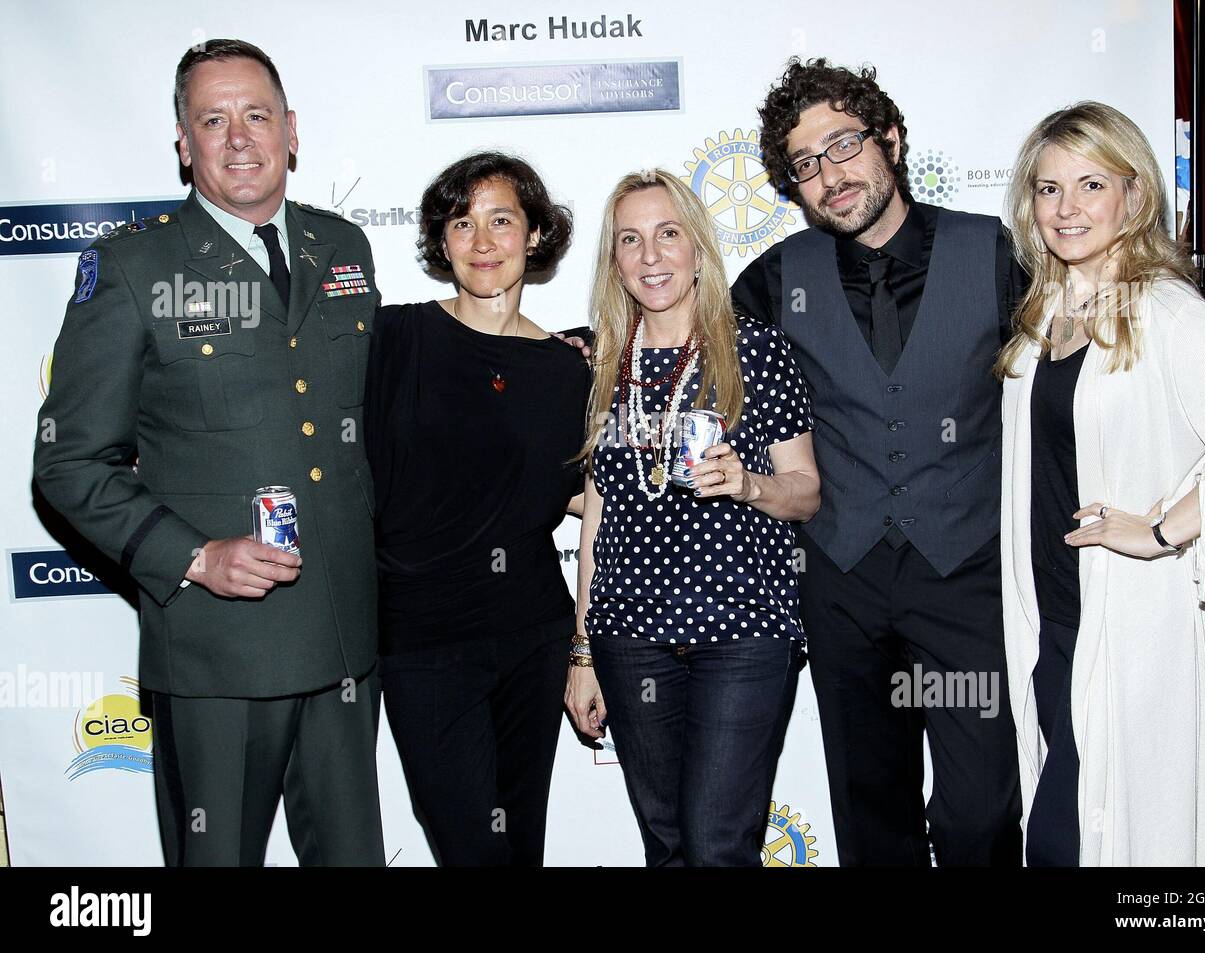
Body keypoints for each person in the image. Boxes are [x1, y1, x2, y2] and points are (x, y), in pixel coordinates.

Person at [33, 40, 384, 866]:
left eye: (256, 116)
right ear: (184, 145)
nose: (239, 139)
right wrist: (192, 556)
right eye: (212, 120)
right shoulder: (130, 266)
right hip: (216, 651)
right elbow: (68, 462)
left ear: (291, 131)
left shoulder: (345, 249)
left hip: (343, 640)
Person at [731, 58, 1026, 866]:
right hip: (844, 582)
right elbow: (695, 357)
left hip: (965, 580)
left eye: (844, 144)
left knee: (979, 814)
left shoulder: (991, 252)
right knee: (871, 817)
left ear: (891, 140)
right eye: (806, 164)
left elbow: (1074, 377)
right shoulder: (774, 280)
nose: (830, 175)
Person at [995, 101, 1205, 866]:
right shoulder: (1047, 316)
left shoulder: (1166, 311)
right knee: (1061, 828)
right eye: (1047, 188)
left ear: (1134, 195)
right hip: (1052, 617)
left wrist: (1162, 530)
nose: (1066, 209)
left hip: (1129, 619)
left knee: (1096, 837)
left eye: (1090, 185)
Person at [563, 170, 819, 867]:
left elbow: (805, 491)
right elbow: (596, 519)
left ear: (699, 249)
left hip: (741, 633)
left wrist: (748, 485)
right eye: (630, 240)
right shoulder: (598, 365)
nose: (651, 256)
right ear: (614, 260)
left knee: (717, 844)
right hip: (629, 638)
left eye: (668, 234)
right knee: (669, 844)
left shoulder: (757, 352)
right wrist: (583, 650)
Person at [364, 153, 588, 866]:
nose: (483, 242)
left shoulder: (566, 370)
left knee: (519, 843)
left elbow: (593, 500)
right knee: (471, 849)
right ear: (441, 239)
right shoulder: (394, 339)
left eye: (501, 221)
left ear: (534, 236)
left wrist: (585, 651)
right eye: (463, 223)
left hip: (533, 636)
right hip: (423, 643)